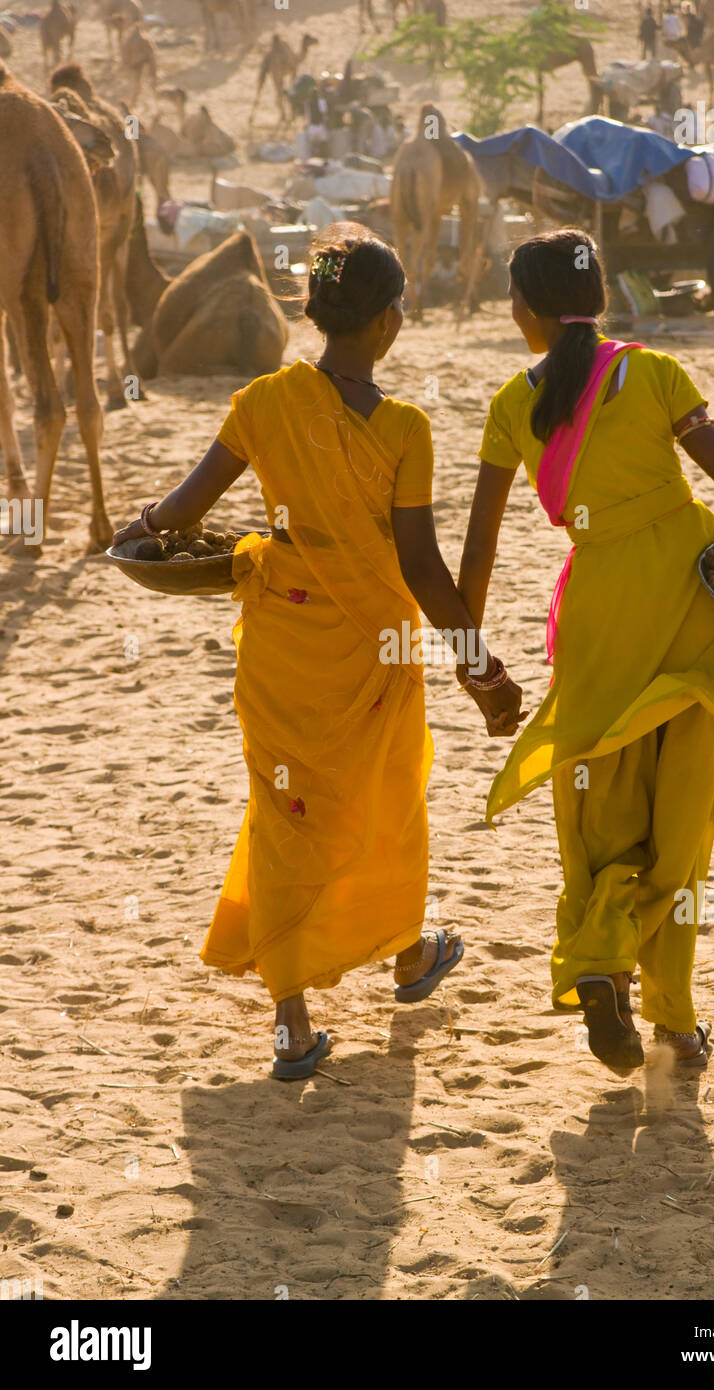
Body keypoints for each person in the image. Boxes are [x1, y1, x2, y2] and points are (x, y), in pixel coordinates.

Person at [111, 224, 523, 1081]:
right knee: (386, 797)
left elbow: (185, 510)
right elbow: (422, 566)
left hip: (281, 641)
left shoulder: (264, 402)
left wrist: (138, 526)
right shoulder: (405, 427)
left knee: (286, 812)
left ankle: (294, 1021)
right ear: (387, 321)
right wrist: (478, 664)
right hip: (376, 645)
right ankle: (406, 954)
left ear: (316, 311)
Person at [457, 227, 714, 1076]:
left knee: (601, 807)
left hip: (600, 616)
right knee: (680, 819)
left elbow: (480, 549)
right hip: (694, 600)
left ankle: (601, 963)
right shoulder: (653, 374)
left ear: (527, 311)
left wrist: (475, 657)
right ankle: (673, 1018)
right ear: (599, 300)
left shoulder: (508, 406)